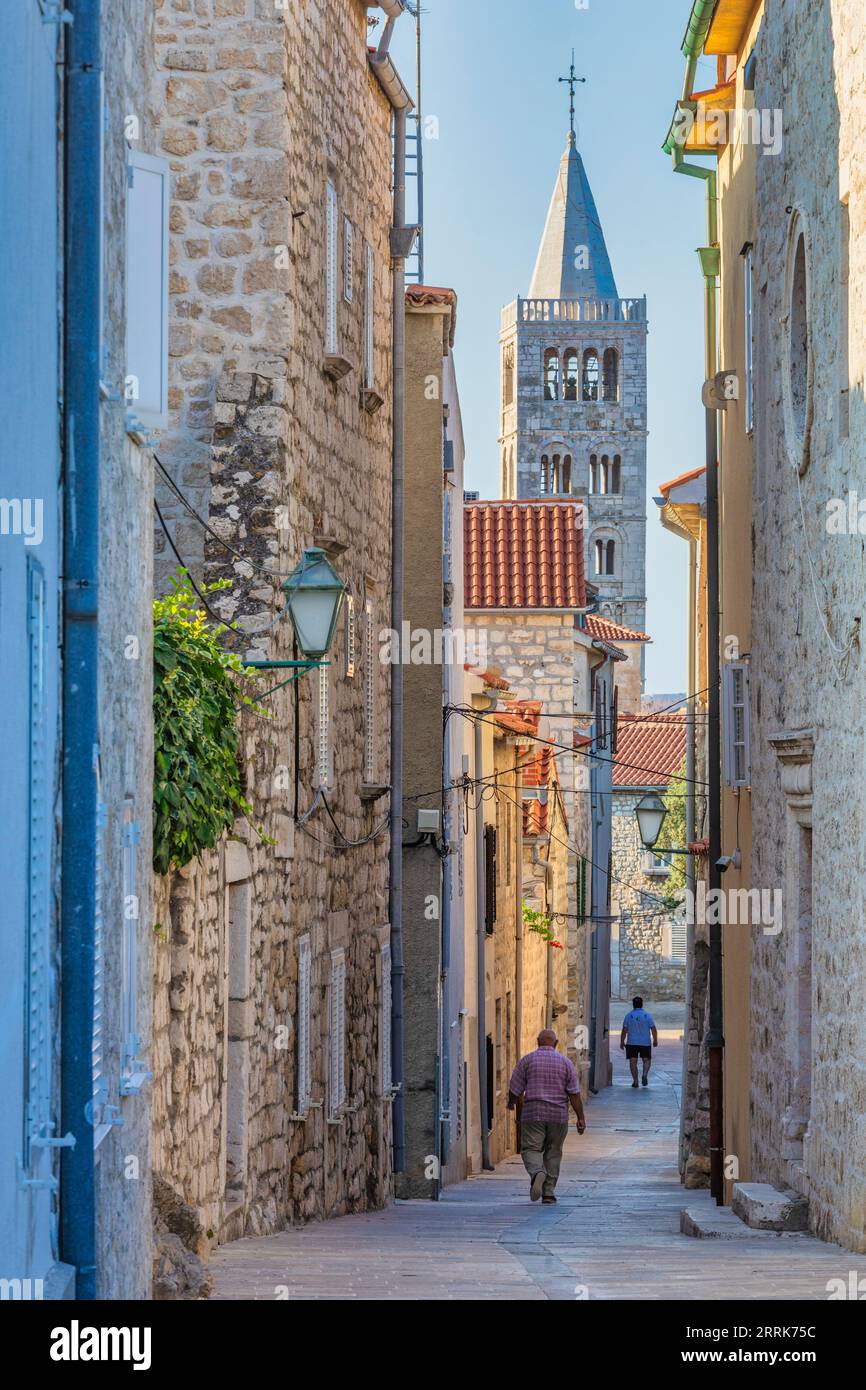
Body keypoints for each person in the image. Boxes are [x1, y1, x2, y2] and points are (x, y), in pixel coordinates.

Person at [507, 1029, 585, 1204]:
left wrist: (511, 1103)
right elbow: (574, 1094)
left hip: (533, 1113)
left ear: (537, 1041)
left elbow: (515, 1088)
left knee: (531, 1149)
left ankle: (537, 1172)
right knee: (553, 1152)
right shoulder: (566, 1063)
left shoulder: (527, 1060)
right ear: (556, 1044)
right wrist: (581, 1118)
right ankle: (548, 1192)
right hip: (558, 1115)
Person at [620, 995, 658, 1087]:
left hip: (632, 1042)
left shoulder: (628, 1016)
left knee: (633, 1062)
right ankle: (644, 1074)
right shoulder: (647, 1016)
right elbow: (653, 1028)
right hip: (645, 1042)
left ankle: (635, 1081)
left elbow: (624, 1030)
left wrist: (622, 1041)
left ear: (633, 1005)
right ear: (642, 1004)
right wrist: (655, 1040)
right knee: (646, 1060)